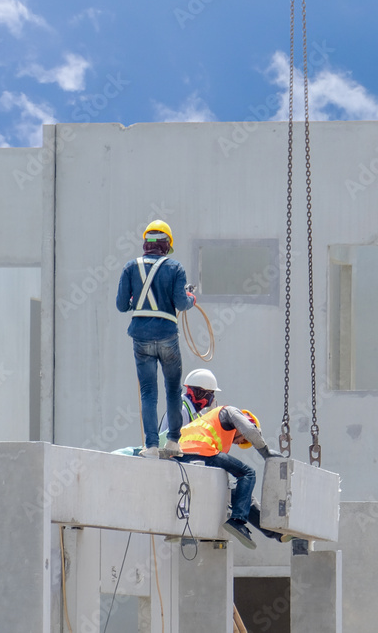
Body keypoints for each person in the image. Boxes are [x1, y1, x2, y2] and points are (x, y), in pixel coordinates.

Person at [116, 220, 195, 459]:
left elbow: (121, 305)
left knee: (149, 393)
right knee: (173, 390)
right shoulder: (175, 268)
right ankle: (172, 442)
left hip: (140, 338)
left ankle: (150, 446)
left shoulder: (130, 268)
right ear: (167, 245)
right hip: (167, 336)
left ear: (145, 243)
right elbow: (181, 303)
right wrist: (192, 298)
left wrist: (136, 304)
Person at [176, 405, 282, 549]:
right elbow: (250, 430)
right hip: (201, 451)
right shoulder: (229, 412)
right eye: (244, 440)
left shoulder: (208, 426)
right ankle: (237, 521)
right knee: (248, 473)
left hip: (180, 456)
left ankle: (274, 532)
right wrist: (267, 454)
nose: (240, 443)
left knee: (234, 493)